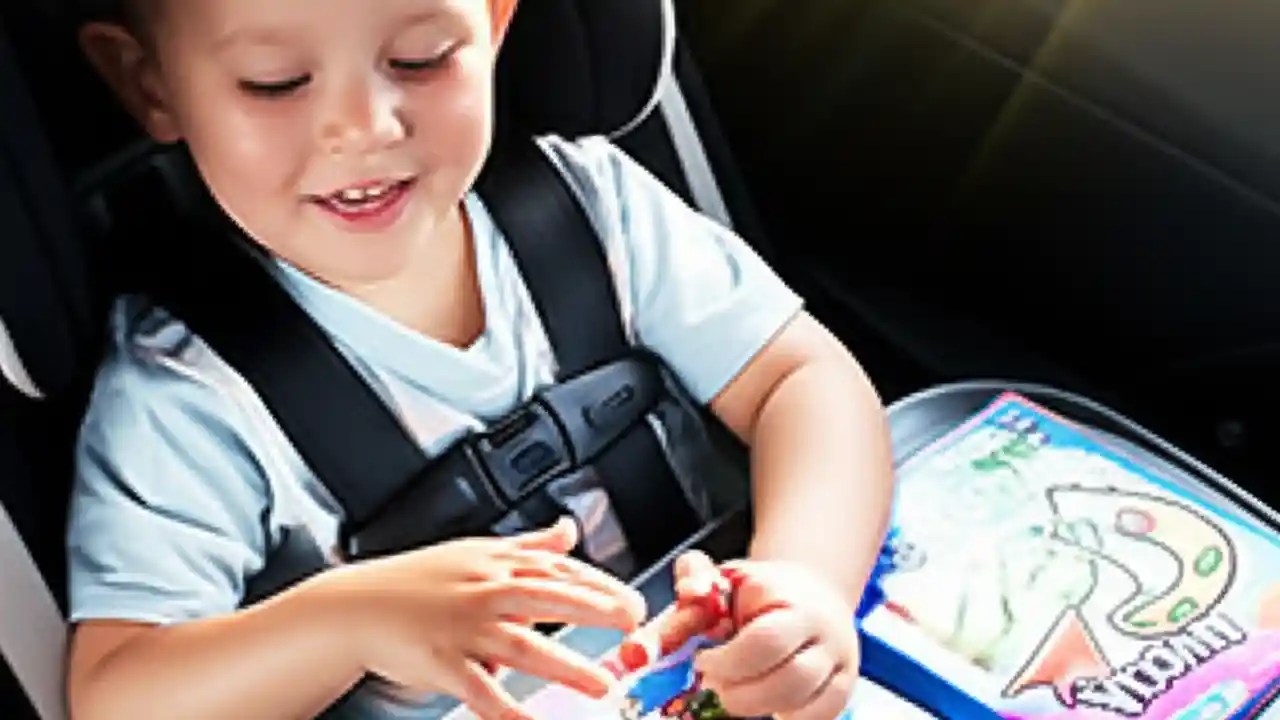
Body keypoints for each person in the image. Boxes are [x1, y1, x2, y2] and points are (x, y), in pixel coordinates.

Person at [65, 1, 896, 718]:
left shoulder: (589, 210)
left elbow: (802, 380)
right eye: (276, 82)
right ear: (150, 85)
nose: (365, 126)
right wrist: (349, 621)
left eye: (419, 58)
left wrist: (805, 578)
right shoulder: (186, 396)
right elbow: (117, 694)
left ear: (495, 23)